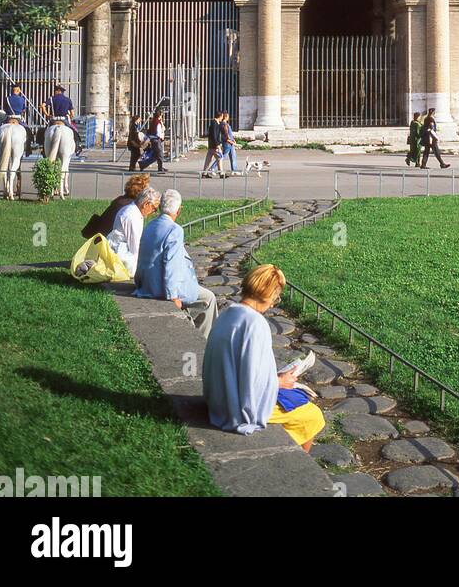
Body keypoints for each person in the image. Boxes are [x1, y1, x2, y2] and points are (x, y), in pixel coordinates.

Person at [203, 263, 325, 451]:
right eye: (276, 297)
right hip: (235, 409)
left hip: (217, 399)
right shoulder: (255, 324)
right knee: (312, 416)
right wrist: (279, 382)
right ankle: (294, 464)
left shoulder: (228, 314)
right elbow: (252, 383)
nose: (274, 302)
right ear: (269, 295)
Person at [135, 189, 217, 336]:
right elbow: (170, 265)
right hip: (163, 288)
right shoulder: (174, 230)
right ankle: (203, 340)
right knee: (209, 298)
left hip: (148, 284)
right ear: (178, 210)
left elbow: (142, 258)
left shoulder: (150, 226)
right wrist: (173, 297)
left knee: (203, 297)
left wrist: (139, 283)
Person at [106, 185, 160, 278]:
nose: (153, 212)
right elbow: (135, 247)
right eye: (154, 208)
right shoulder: (132, 216)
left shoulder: (133, 211)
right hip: (121, 256)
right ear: (146, 204)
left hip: (121, 251)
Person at [82, 172, 151, 243]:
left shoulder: (120, 200)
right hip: (108, 245)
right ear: (141, 192)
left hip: (99, 241)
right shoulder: (131, 207)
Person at [45, 82, 82, 157]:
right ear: (61, 92)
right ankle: (78, 147)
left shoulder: (51, 99)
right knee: (75, 131)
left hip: (54, 120)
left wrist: (47, 114)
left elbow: (42, 105)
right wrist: (71, 116)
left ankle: (43, 148)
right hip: (64, 119)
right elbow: (72, 112)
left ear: (57, 91)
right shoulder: (67, 100)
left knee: (45, 132)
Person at [202, 111, 225, 179]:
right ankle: (221, 173)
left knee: (208, 160)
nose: (222, 118)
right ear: (220, 116)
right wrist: (217, 144)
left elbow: (220, 130)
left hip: (211, 145)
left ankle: (204, 173)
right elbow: (214, 135)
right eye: (222, 117)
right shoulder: (214, 123)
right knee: (220, 158)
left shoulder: (216, 123)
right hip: (214, 145)